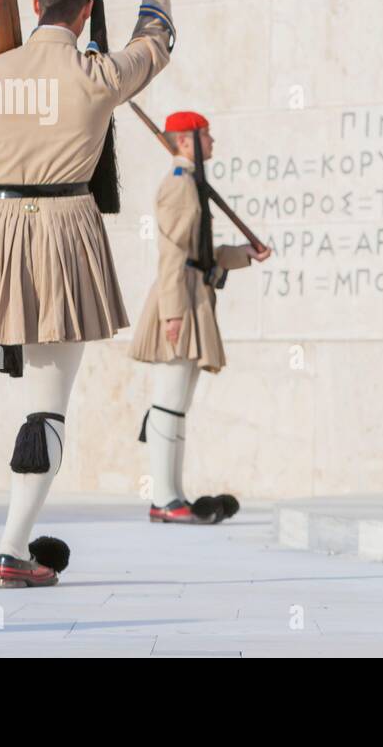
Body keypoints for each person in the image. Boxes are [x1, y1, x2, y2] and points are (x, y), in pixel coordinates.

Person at [0, 0, 177, 588]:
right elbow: (157, 40)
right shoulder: (98, 75)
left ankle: (16, 543)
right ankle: (13, 549)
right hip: (62, 240)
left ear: (35, 5)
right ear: (87, 10)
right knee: (48, 409)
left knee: (35, 401)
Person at [129, 111, 272, 524]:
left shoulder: (192, 183)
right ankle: (163, 497)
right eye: (207, 136)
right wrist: (172, 313)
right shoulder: (178, 185)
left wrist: (243, 254)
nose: (214, 142)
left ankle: (173, 495)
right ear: (187, 141)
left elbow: (200, 253)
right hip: (181, 300)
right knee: (169, 399)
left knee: (179, 402)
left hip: (195, 295)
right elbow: (172, 254)